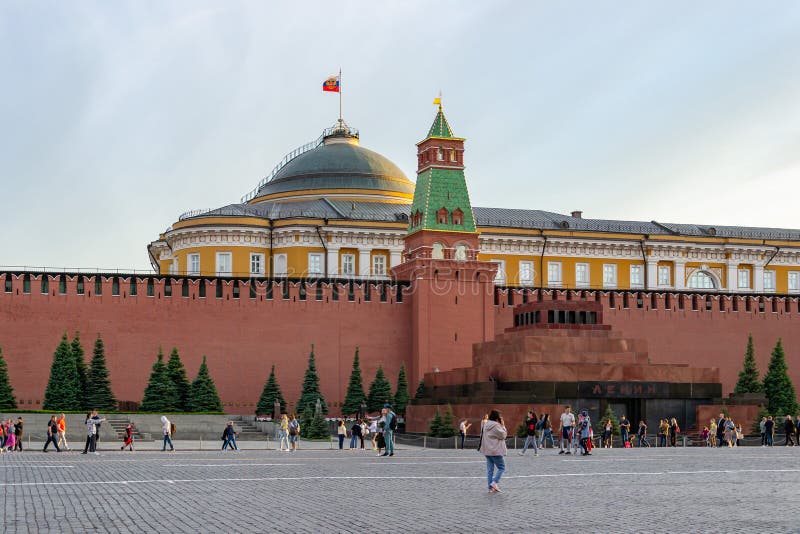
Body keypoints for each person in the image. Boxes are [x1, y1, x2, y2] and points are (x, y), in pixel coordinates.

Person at [478, 410, 508, 493]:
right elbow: (504, 435)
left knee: (490, 470)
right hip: (495, 451)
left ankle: (490, 488)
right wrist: (503, 425)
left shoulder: (485, 424)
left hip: (487, 450)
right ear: (497, 418)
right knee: (502, 467)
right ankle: (494, 483)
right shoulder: (496, 426)